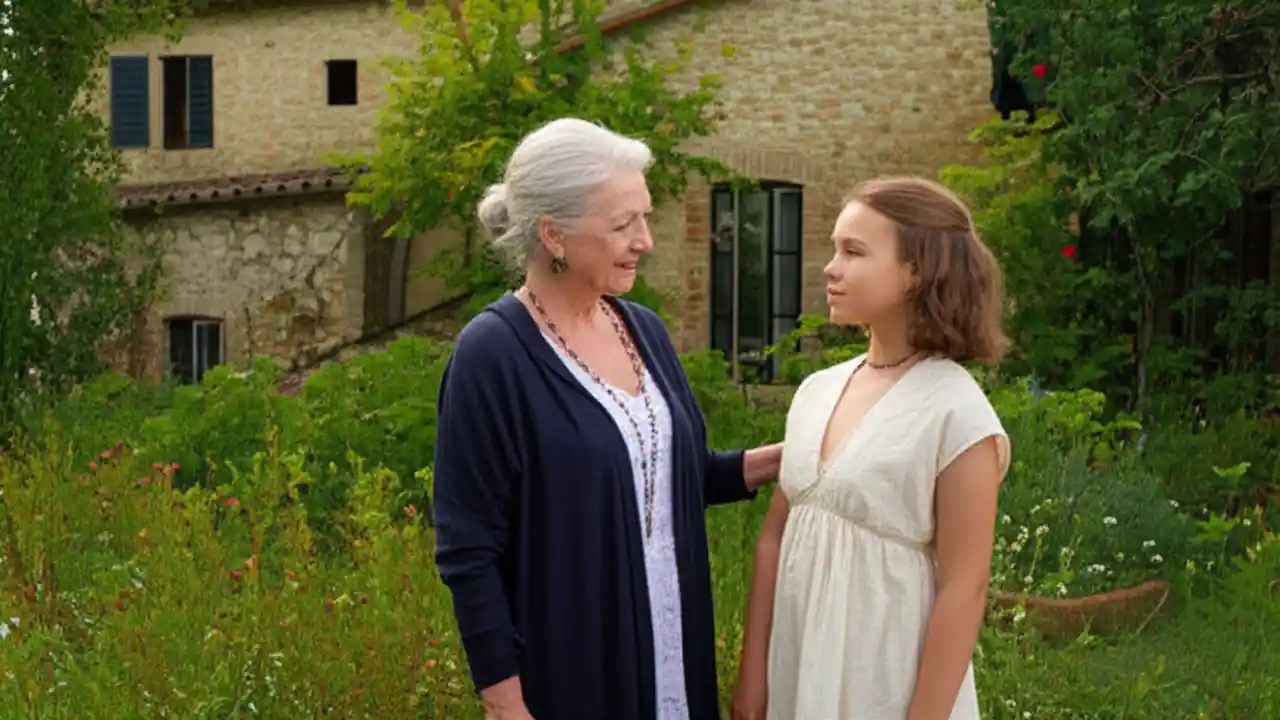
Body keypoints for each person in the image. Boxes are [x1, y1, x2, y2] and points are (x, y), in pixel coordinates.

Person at [433, 117, 784, 720]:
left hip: (673, 655)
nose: (645, 239)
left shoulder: (641, 329)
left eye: (644, 217)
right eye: (623, 224)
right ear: (554, 235)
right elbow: (469, 550)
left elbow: (670, 477)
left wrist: (788, 455)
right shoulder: (492, 354)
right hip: (572, 672)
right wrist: (505, 703)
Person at [731, 176, 1011, 720]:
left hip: (885, 680)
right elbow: (774, 539)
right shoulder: (817, 391)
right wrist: (752, 683)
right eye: (835, 249)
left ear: (916, 270)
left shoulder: (956, 412)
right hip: (799, 666)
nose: (830, 268)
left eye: (853, 252)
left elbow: (965, 585)